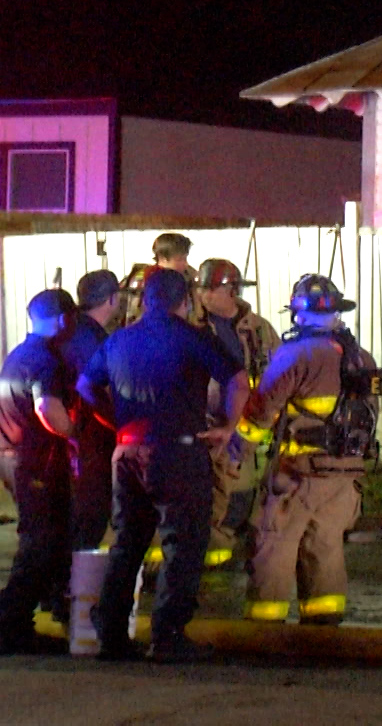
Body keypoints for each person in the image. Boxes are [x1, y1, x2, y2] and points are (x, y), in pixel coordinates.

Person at [78, 267, 245, 663]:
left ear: (143, 300)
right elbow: (238, 379)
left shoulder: (118, 339)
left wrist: (117, 420)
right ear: (184, 301)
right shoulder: (192, 337)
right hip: (177, 455)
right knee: (183, 543)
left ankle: (112, 634)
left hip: (128, 455)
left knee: (127, 543)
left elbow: (86, 386)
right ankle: (167, 635)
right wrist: (227, 427)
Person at [238, 274, 382, 626]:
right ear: (336, 314)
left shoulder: (294, 354)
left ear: (298, 315)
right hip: (345, 476)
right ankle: (324, 626)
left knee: (274, 547)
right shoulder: (362, 358)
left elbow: (259, 415)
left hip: (298, 475)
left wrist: (235, 451)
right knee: (326, 548)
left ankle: (263, 629)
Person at [0, 290, 77, 654]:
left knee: (41, 538)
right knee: (39, 542)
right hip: (36, 462)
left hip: (14, 457)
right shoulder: (47, 361)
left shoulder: (17, 355)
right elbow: (47, 408)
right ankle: (11, 623)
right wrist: (73, 433)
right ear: (64, 319)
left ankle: (21, 620)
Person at [195, 258, 278, 568]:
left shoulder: (259, 330)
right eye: (200, 288)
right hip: (203, 429)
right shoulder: (194, 326)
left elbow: (278, 377)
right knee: (204, 499)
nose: (201, 295)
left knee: (240, 496)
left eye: (208, 288)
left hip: (245, 428)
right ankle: (205, 569)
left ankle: (220, 564)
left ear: (230, 290)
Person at [66, 270, 119, 552]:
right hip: (89, 444)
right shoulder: (96, 340)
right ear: (112, 299)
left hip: (65, 444)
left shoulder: (68, 331)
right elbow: (94, 390)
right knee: (89, 523)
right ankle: (75, 591)